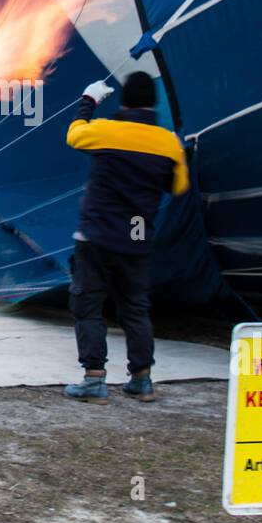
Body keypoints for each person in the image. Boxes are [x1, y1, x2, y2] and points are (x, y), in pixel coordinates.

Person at [62, 71, 188, 404]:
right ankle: (142, 379)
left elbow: (74, 137)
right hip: (136, 234)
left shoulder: (106, 130)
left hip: (97, 233)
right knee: (135, 308)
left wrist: (88, 101)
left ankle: (94, 379)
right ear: (152, 103)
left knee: (88, 305)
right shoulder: (168, 142)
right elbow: (178, 187)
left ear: (126, 101)